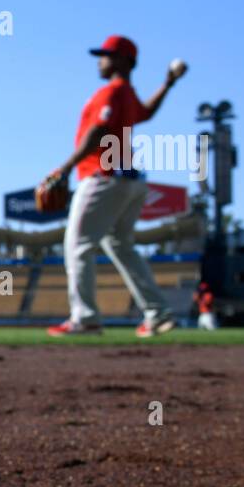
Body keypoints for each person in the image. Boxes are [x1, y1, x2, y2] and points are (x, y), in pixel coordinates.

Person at [45, 35, 186, 338]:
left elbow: (98, 130)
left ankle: (85, 318)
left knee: (77, 246)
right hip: (131, 181)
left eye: (106, 55)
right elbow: (146, 113)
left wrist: (66, 167)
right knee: (121, 246)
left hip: (103, 176)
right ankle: (157, 313)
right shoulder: (127, 94)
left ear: (123, 61)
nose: (100, 60)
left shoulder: (112, 92)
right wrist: (168, 83)